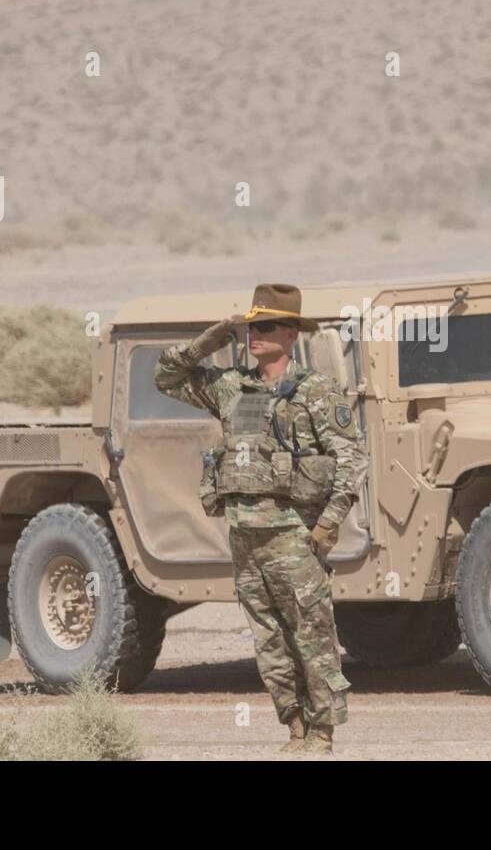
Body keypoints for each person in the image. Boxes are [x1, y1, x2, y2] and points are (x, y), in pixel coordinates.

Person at [154, 283, 366, 755]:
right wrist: (212, 337)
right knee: (269, 642)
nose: (255, 334)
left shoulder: (315, 392)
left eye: (266, 326)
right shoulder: (232, 388)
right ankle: (293, 728)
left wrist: (328, 524)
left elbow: (352, 459)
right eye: (250, 326)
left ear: (291, 333)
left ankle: (323, 734)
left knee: (312, 638)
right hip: (244, 536)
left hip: (293, 535)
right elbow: (166, 377)